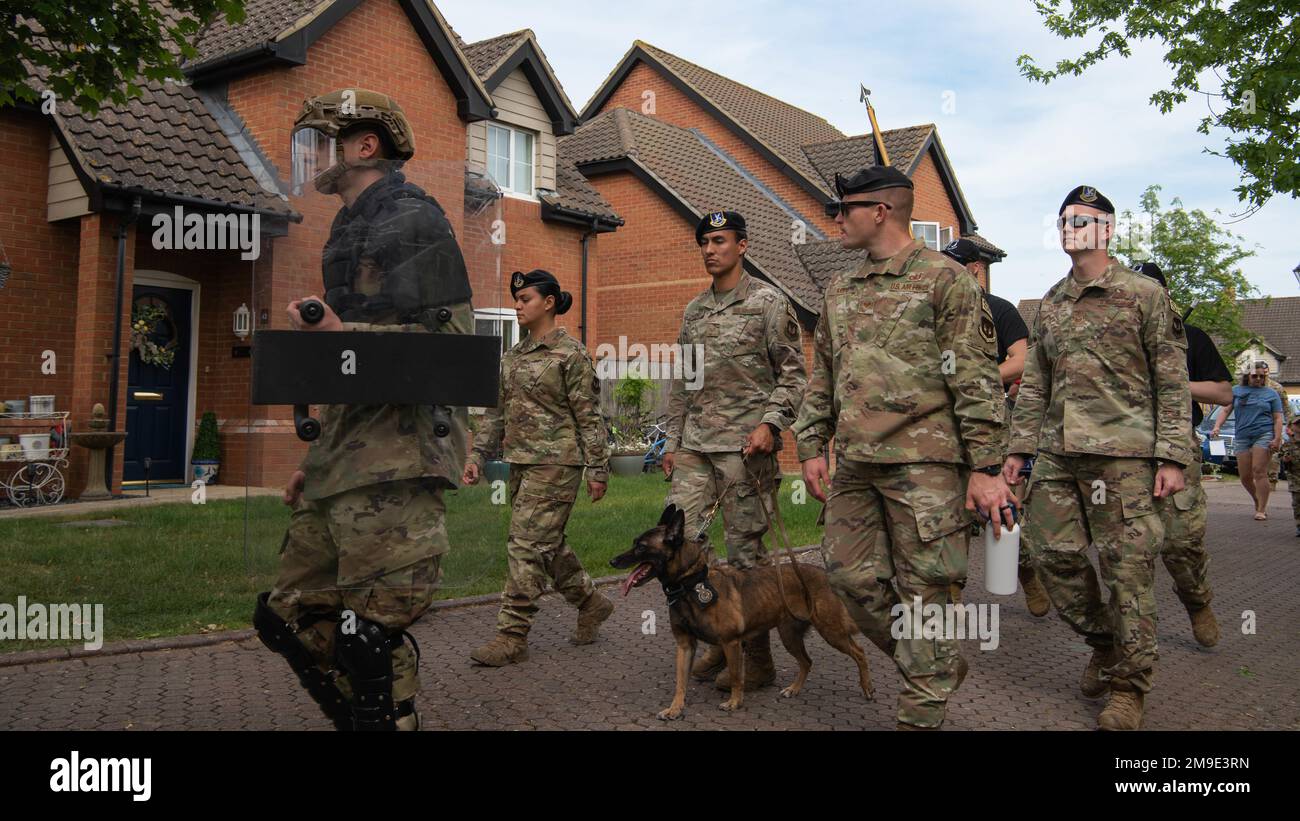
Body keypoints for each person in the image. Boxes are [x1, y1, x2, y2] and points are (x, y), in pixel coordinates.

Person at [255, 89, 475, 731]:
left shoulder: (413, 219)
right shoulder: (348, 227)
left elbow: (454, 351)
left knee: (366, 634)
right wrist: (316, 458)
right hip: (344, 461)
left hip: (398, 460)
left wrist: (340, 339)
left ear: (364, 144)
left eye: (321, 140)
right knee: (287, 616)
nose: (310, 158)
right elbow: (351, 367)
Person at [793, 165, 1014, 730]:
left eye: (844, 210)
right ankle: (931, 663)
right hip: (858, 467)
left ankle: (922, 702)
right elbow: (825, 378)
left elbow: (976, 380)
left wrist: (987, 467)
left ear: (881, 211)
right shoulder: (840, 289)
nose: (836, 220)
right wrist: (812, 442)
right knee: (845, 576)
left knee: (928, 592)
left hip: (927, 468)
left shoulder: (945, 281)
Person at [1004, 186, 1192, 731]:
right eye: (1064, 220)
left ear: (1109, 230)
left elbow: (1172, 380)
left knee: (1127, 572)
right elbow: (1036, 383)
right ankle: (1106, 642)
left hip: (1127, 457)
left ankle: (1129, 688)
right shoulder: (1052, 303)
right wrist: (1019, 447)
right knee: (1051, 557)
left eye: (1083, 220)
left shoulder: (1144, 296)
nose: (1071, 228)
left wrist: (1173, 455)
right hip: (1060, 454)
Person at [662, 210, 808, 692]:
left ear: (742, 246)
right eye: (704, 241)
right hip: (696, 450)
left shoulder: (769, 303)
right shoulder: (694, 310)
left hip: (745, 450)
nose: (710, 249)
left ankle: (758, 659)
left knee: (746, 557)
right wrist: (672, 439)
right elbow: (684, 381)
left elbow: (793, 376)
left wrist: (770, 423)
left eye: (720, 241)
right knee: (686, 552)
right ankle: (713, 642)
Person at [464, 269, 615, 666]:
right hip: (520, 463)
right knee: (545, 546)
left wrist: (598, 469)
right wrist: (477, 455)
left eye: (525, 298)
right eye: (515, 298)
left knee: (525, 544)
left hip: (558, 464)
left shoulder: (571, 355)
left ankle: (512, 635)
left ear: (548, 303)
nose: (517, 305)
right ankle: (591, 602)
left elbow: (589, 417)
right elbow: (495, 415)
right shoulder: (512, 358)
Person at [941, 238, 1048, 616]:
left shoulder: (1000, 310)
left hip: (989, 421)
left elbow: (1021, 362)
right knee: (947, 510)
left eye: (954, 264)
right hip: (942, 425)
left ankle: (1028, 573)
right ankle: (951, 592)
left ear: (974, 269)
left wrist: (977, 383)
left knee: (998, 508)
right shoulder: (935, 309)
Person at [1135, 262, 1233, 647]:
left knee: (1180, 544)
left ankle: (1197, 601)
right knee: (1129, 552)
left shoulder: (1190, 337)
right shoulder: (1117, 341)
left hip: (1176, 446)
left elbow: (1223, 394)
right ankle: (1128, 642)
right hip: (1126, 451)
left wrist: (1172, 381)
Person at [1210, 363, 1284, 521]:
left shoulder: (1271, 393)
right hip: (1242, 436)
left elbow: (1278, 418)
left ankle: (1262, 509)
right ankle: (1257, 499)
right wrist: (1217, 426)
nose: (1258, 379)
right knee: (1244, 476)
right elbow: (1225, 410)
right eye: (1254, 376)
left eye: (1262, 376)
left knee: (1259, 471)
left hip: (1263, 434)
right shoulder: (1236, 391)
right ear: (1247, 376)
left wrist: (1277, 438)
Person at [1255, 362, 1294, 489]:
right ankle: (1260, 478)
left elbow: (1286, 408)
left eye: (1265, 372)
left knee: (1273, 453)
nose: (1262, 376)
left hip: (1274, 424)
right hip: (1256, 424)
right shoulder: (1251, 387)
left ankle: (1272, 480)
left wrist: (1290, 424)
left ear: (1268, 372)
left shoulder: (1276, 388)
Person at [1280, 417, 1300, 537]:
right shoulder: (1288, 444)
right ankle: (1299, 525)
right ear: (1291, 427)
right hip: (1295, 478)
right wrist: (1285, 459)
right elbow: (1281, 456)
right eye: (1297, 424)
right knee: (1297, 502)